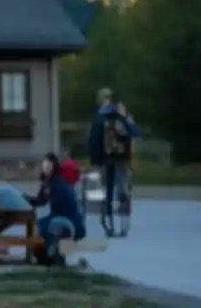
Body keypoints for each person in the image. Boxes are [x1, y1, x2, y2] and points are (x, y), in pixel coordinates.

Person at [88, 88, 140, 237]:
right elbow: (135, 132)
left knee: (108, 194)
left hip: (106, 160)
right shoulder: (123, 115)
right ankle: (123, 223)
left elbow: (94, 140)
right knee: (122, 192)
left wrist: (95, 161)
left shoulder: (100, 117)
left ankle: (109, 223)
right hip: (122, 161)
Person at [26, 153, 86, 265]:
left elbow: (41, 200)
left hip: (66, 220)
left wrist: (26, 200)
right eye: (44, 165)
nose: (44, 168)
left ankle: (53, 255)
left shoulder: (55, 183)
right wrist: (26, 199)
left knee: (48, 226)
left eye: (47, 166)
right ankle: (50, 256)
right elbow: (40, 200)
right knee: (43, 226)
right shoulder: (53, 183)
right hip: (68, 220)